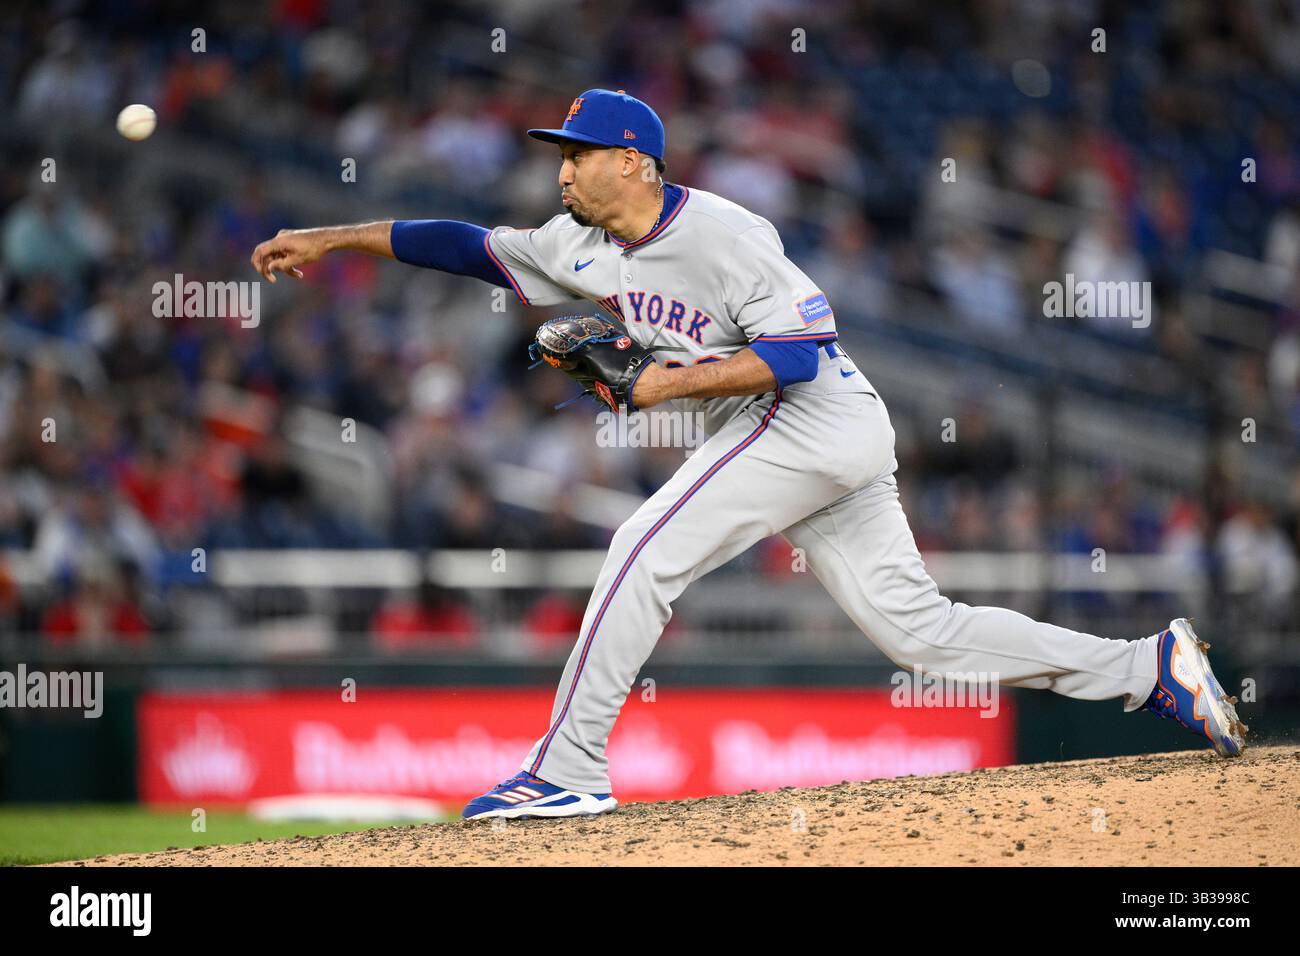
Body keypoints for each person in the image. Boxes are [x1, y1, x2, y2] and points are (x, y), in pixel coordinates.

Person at [251, 89, 1247, 821]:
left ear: (636, 161)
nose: (561, 166)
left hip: (813, 414)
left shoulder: (724, 231)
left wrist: (661, 386)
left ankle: (567, 767)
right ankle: (1146, 666)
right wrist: (335, 238)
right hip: (801, 438)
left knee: (643, 542)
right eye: (558, 150)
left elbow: (798, 350)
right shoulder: (576, 246)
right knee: (922, 635)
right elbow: (466, 245)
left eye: (581, 151)